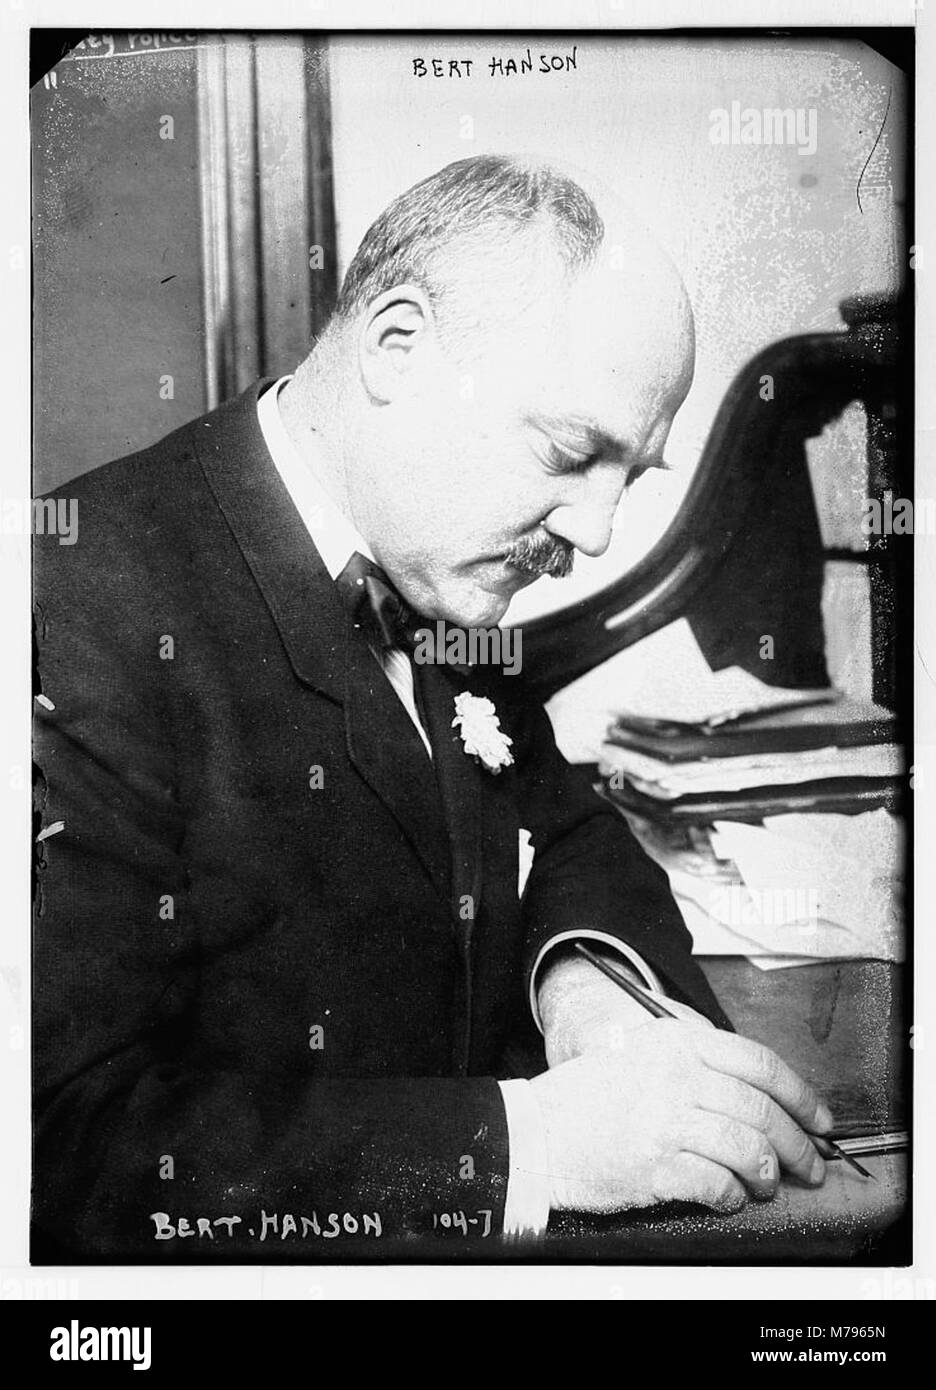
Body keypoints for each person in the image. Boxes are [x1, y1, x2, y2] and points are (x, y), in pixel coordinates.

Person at [32, 155, 832, 1259]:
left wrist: (586, 987)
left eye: (630, 476)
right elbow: (61, 1144)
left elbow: (567, 829)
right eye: (569, 451)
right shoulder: (71, 600)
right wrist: (527, 1146)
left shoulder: (439, 559)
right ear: (395, 347)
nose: (595, 534)